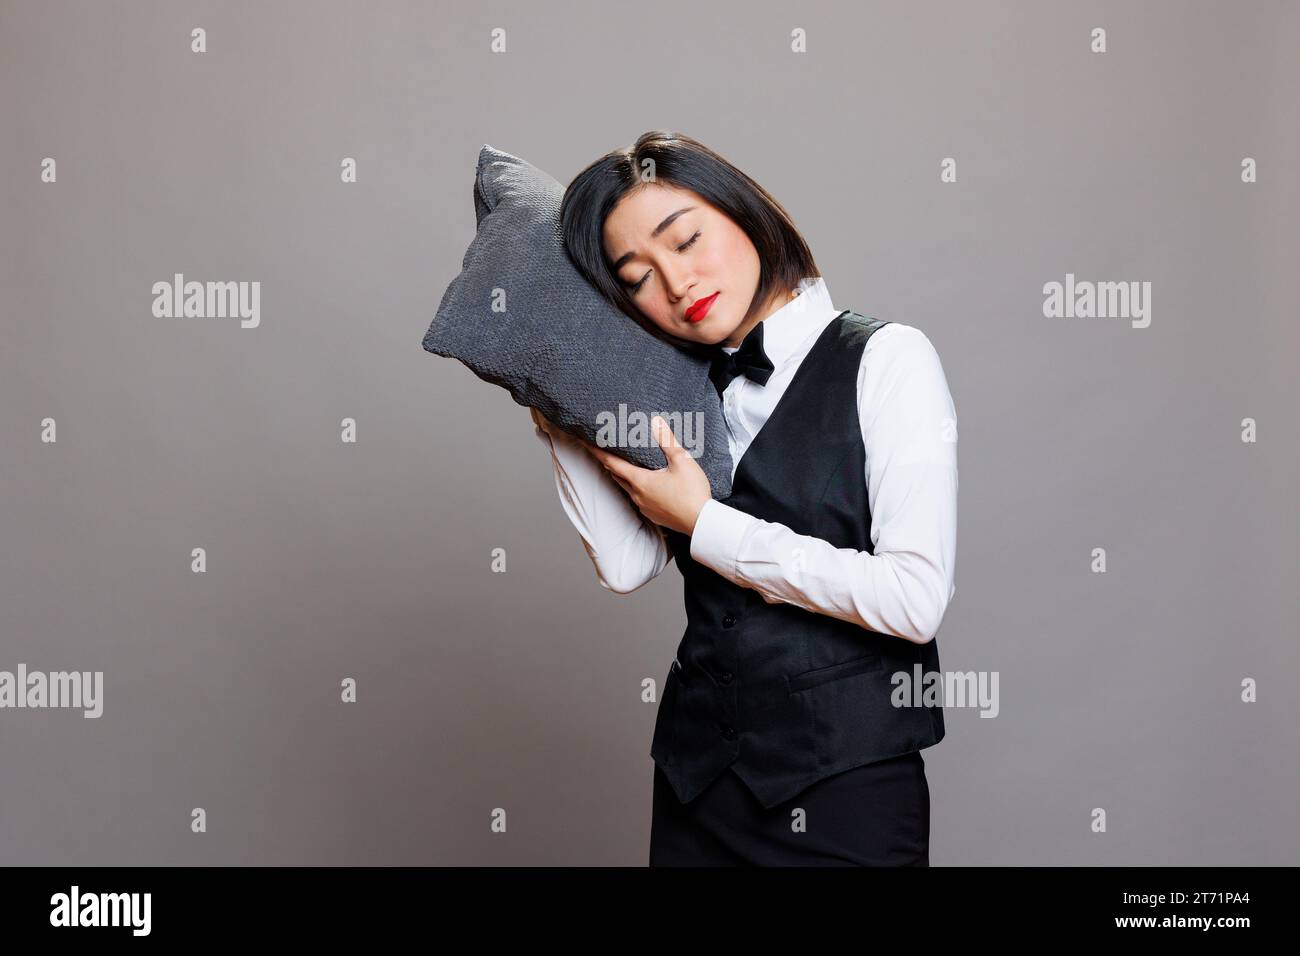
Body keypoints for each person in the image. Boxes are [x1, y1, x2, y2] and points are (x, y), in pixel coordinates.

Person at [530, 130, 958, 866]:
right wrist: (556, 405)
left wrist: (705, 524)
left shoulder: (888, 359)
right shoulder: (674, 389)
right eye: (636, 277)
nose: (675, 283)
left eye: (687, 239)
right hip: (696, 790)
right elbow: (628, 567)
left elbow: (914, 599)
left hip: (843, 794)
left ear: (745, 212)